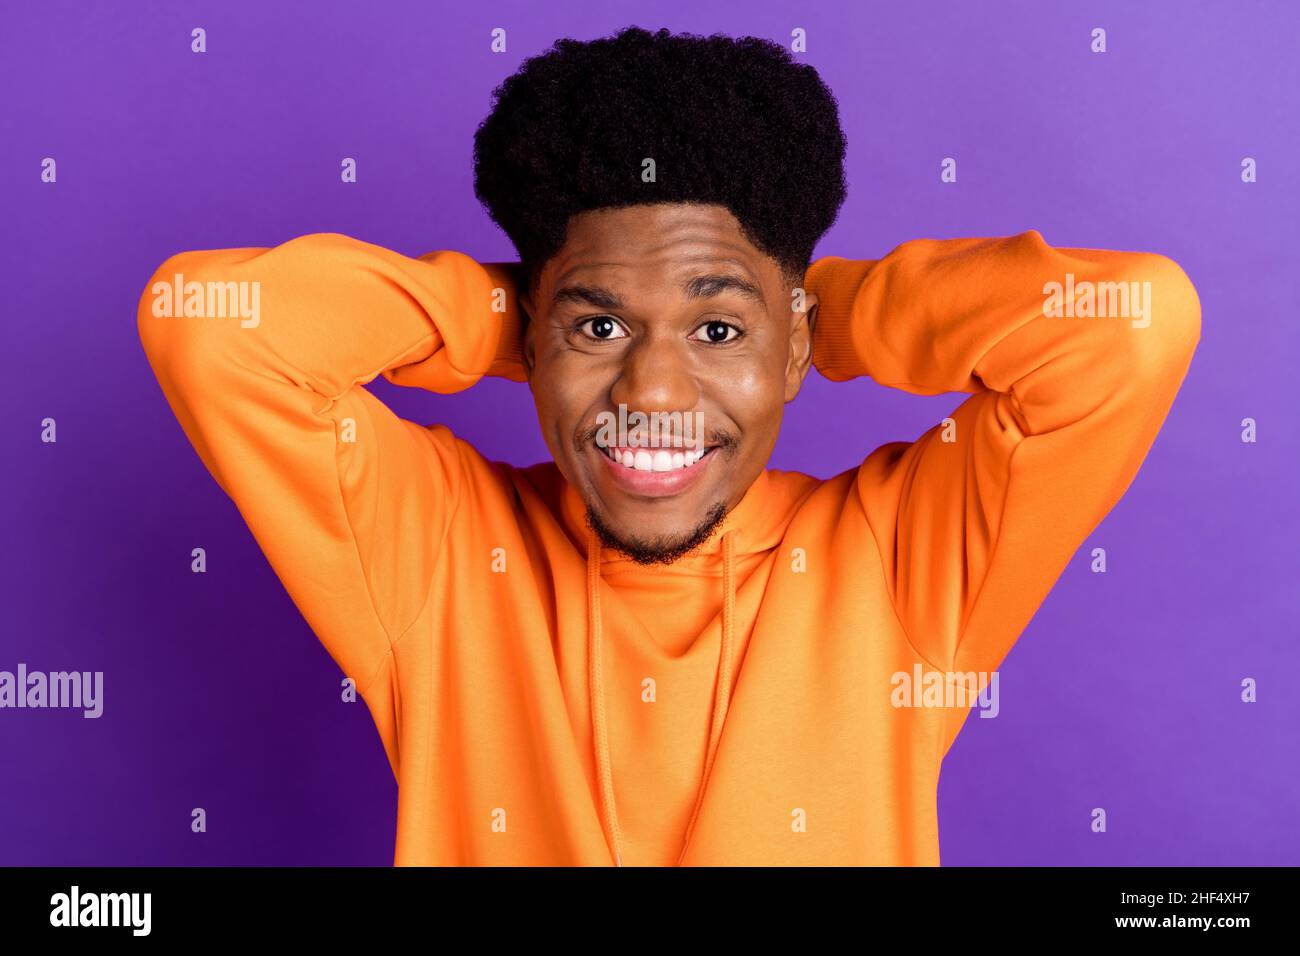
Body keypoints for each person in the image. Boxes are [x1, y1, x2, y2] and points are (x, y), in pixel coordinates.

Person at [136, 26, 1200, 865]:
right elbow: (207, 320)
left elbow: (1131, 321)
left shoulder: (897, 566)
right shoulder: (443, 556)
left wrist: (821, 313)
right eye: (598, 329)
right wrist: (507, 312)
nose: (651, 389)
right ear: (531, 341)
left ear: (790, 352)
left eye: (720, 329)